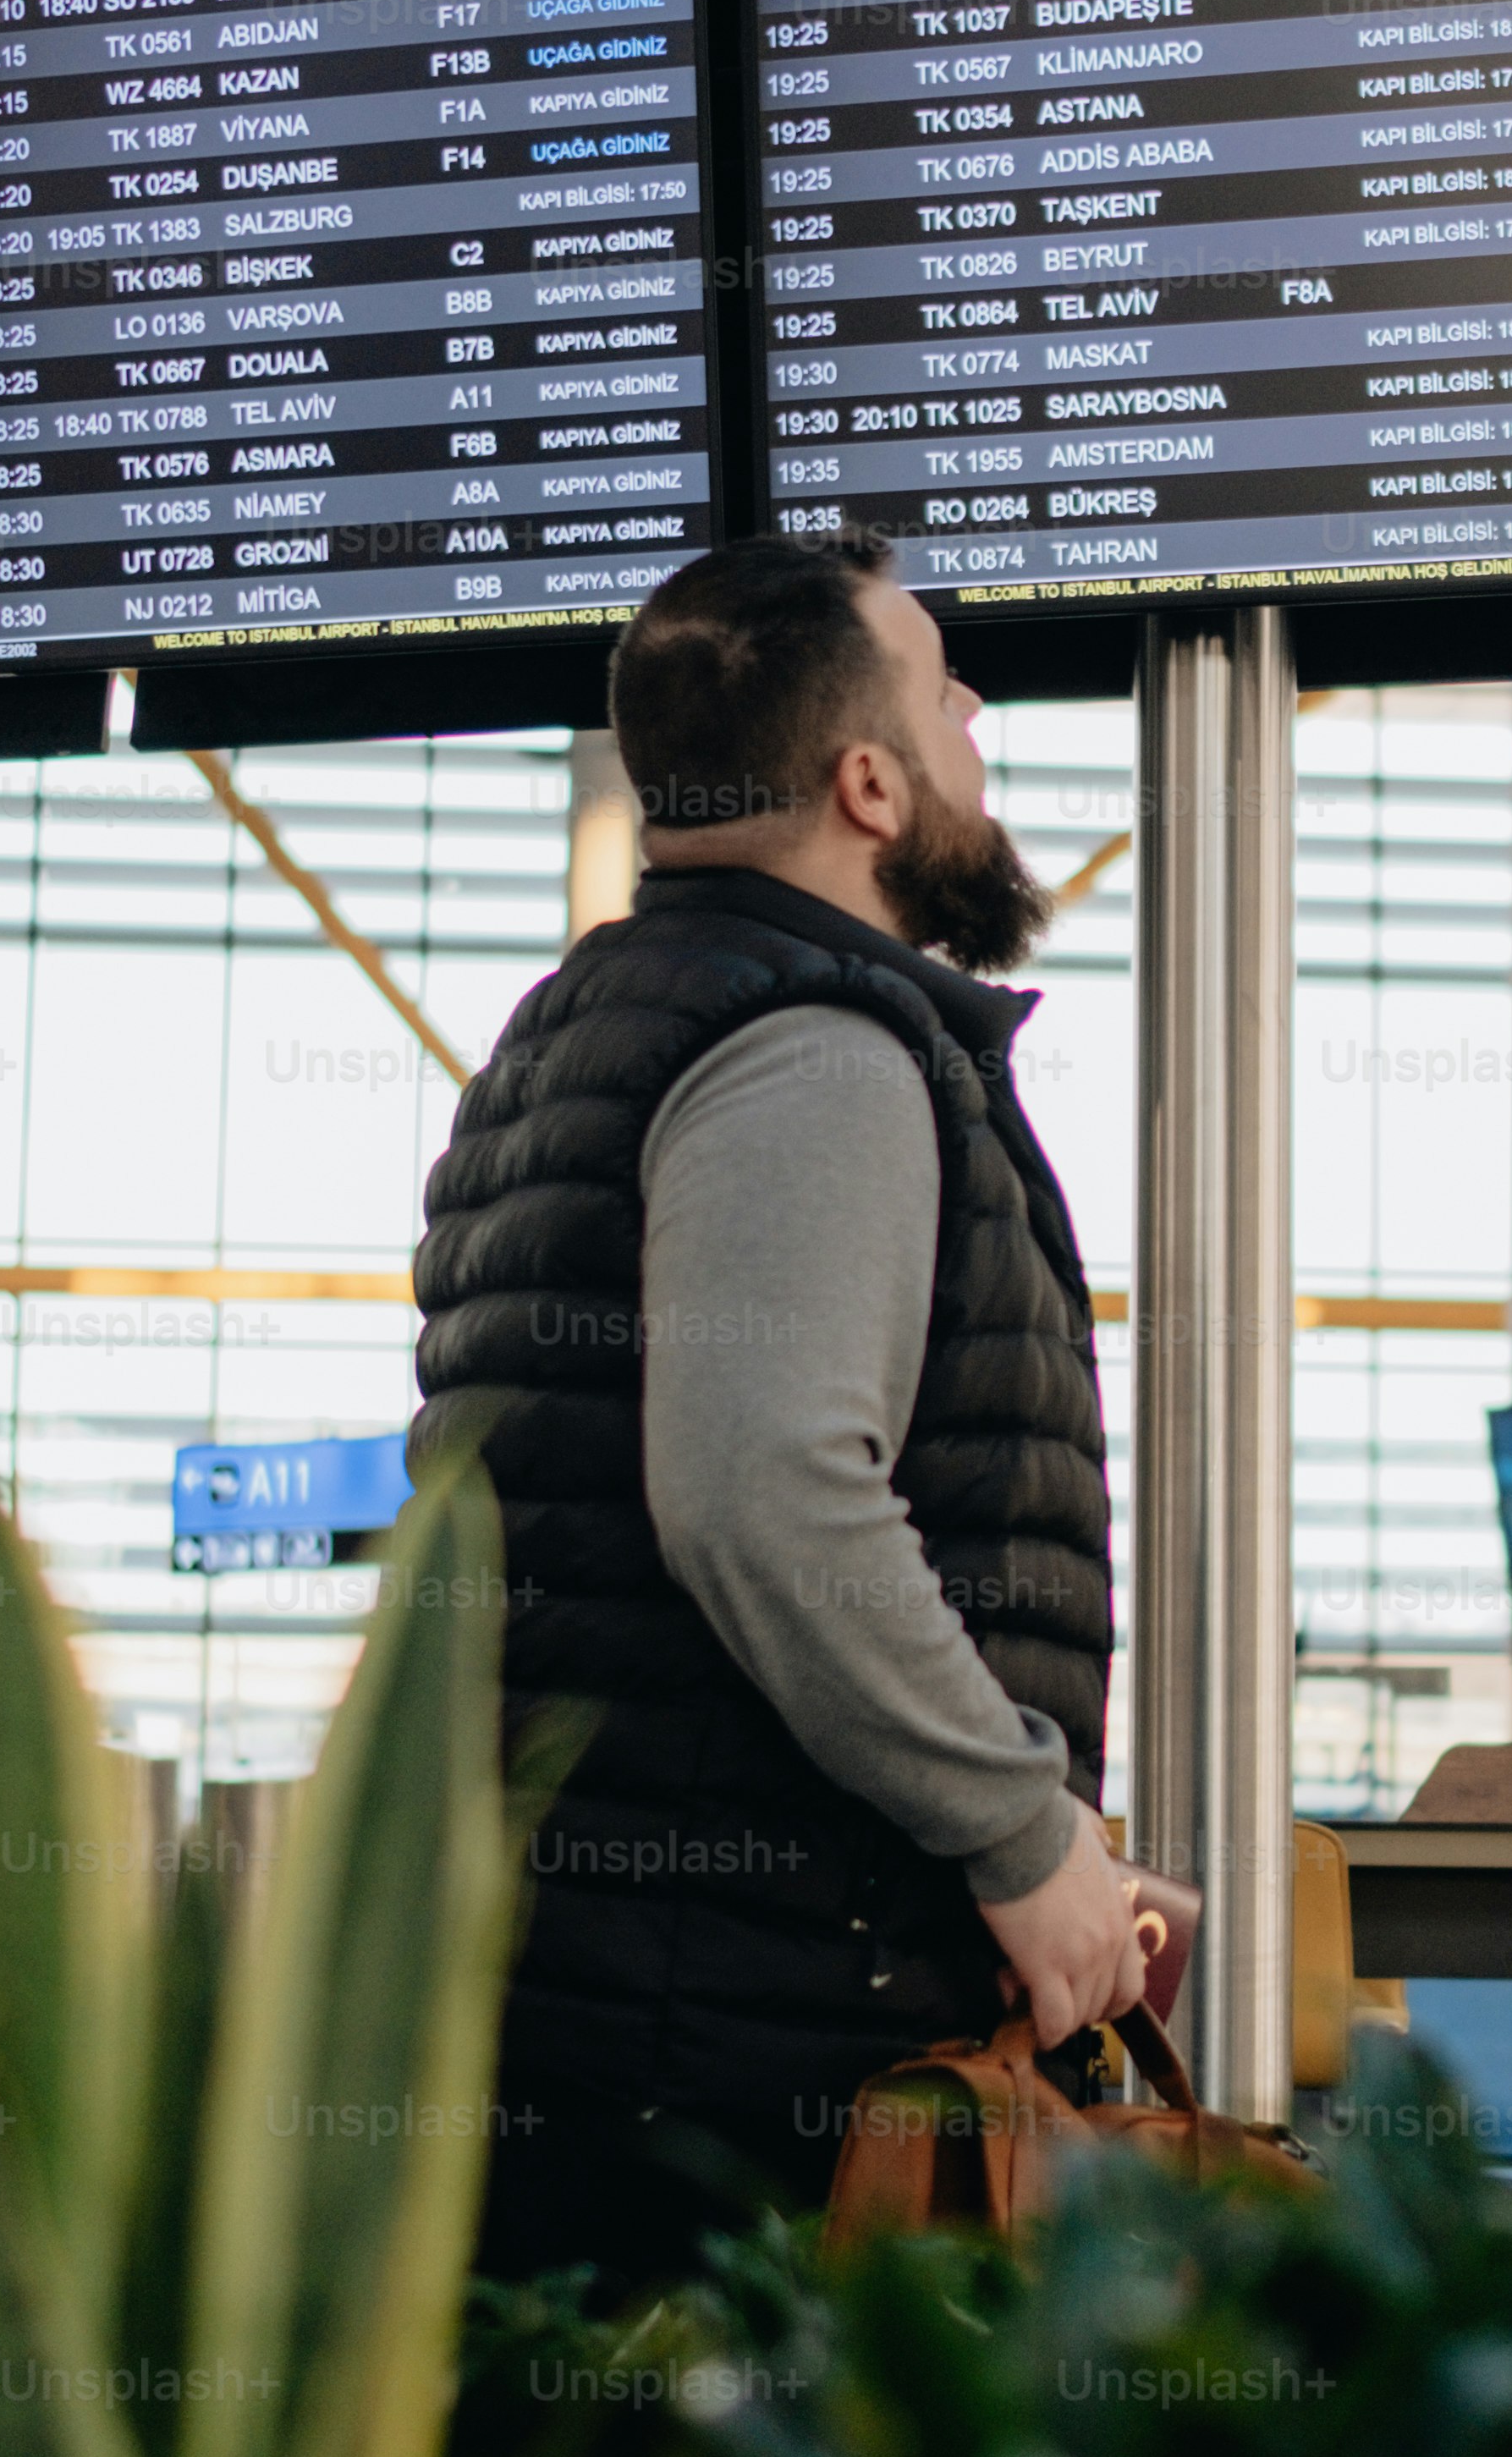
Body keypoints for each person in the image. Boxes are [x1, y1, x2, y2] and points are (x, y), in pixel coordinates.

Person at [419, 525, 1196, 2295]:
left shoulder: (571, 1037)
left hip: (600, 2005)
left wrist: (1049, 1846)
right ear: (868, 781)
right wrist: (1019, 1835)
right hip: (750, 2062)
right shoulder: (816, 1048)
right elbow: (764, 1492)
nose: (977, 714)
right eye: (944, 690)